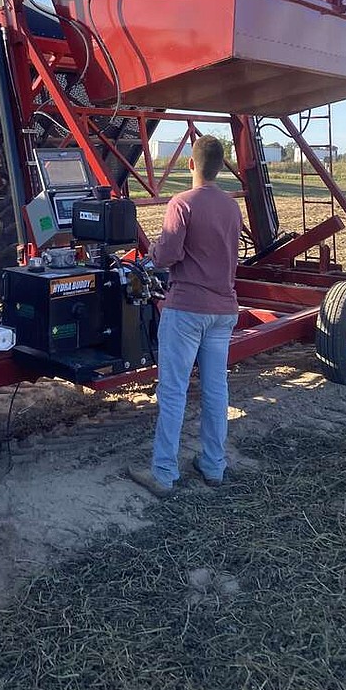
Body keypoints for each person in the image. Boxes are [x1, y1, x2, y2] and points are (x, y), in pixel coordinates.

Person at [128, 135, 241, 498]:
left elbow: (168, 255)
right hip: (223, 311)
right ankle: (213, 465)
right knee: (215, 389)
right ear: (221, 167)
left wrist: (151, 254)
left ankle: (163, 473)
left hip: (187, 309)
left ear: (190, 164)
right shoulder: (232, 207)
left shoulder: (182, 203)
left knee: (173, 391)